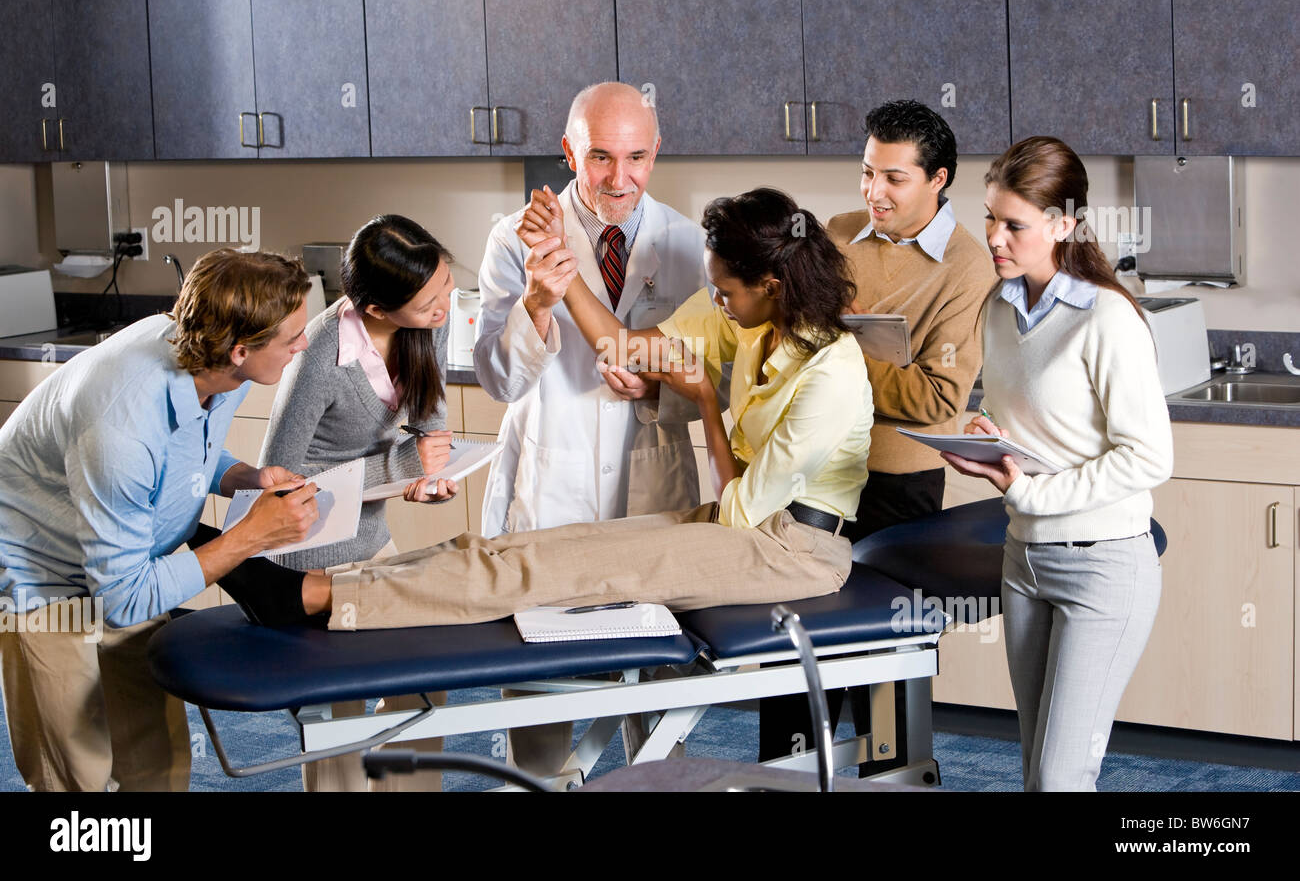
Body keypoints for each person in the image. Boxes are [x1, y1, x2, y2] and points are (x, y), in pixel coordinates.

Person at [219, 189, 872, 653]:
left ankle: (312, 598)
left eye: (727, 293)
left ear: (772, 286)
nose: (719, 306)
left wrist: (704, 398)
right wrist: (559, 265)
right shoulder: (756, 325)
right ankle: (316, 585)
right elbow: (625, 345)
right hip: (747, 524)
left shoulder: (830, 373)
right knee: (529, 548)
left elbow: (740, 513)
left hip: (787, 550)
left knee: (555, 576)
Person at [0, 249, 318, 791]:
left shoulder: (209, 356)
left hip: (127, 557)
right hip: (40, 577)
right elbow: (123, 596)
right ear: (241, 350)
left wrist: (246, 475)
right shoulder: (120, 427)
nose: (303, 346)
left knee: (157, 760)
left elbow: (180, 449)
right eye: (292, 339)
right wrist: (248, 537)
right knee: (77, 771)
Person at [474, 81, 712, 773]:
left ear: (656, 151)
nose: (620, 177)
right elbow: (498, 379)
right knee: (540, 691)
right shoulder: (512, 239)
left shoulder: (687, 244)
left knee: (660, 688)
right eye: (600, 157)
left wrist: (655, 385)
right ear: (568, 151)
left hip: (653, 484)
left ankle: (660, 786)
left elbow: (709, 379)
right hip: (550, 483)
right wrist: (539, 306)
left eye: (636, 157)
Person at [759, 99, 995, 768]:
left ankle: (893, 776)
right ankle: (788, 780)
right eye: (868, 173)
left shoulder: (966, 268)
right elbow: (787, 340)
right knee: (795, 643)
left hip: (896, 482)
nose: (874, 192)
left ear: (937, 179)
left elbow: (934, 396)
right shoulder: (833, 235)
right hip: (812, 471)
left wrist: (842, 353)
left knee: (881, 658)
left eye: (894, 178)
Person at [941, 136, 1173, 791]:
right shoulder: (1000, 306)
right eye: (989, 216)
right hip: (1026, 560)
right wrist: (982, 434)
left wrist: (1034, 494)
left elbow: (1149, 456)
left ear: (1065, 223)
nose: (994, 237)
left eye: (1014, 224)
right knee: (1036, 771)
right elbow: (1023, 412)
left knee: (1060, 778)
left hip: (1103, 568)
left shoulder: (1108, 318)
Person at [257, 214, 456, 792]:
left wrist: (431, 475)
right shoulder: (318, 357)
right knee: (337, 712)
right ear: (375, 309)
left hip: (370, 536)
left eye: (446, 285)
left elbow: (428, 421)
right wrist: (404, 467)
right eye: (428, 301)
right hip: (311, 548)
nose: (443, 306)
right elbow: (282, 481)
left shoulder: (429, 320)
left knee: (424, 672)